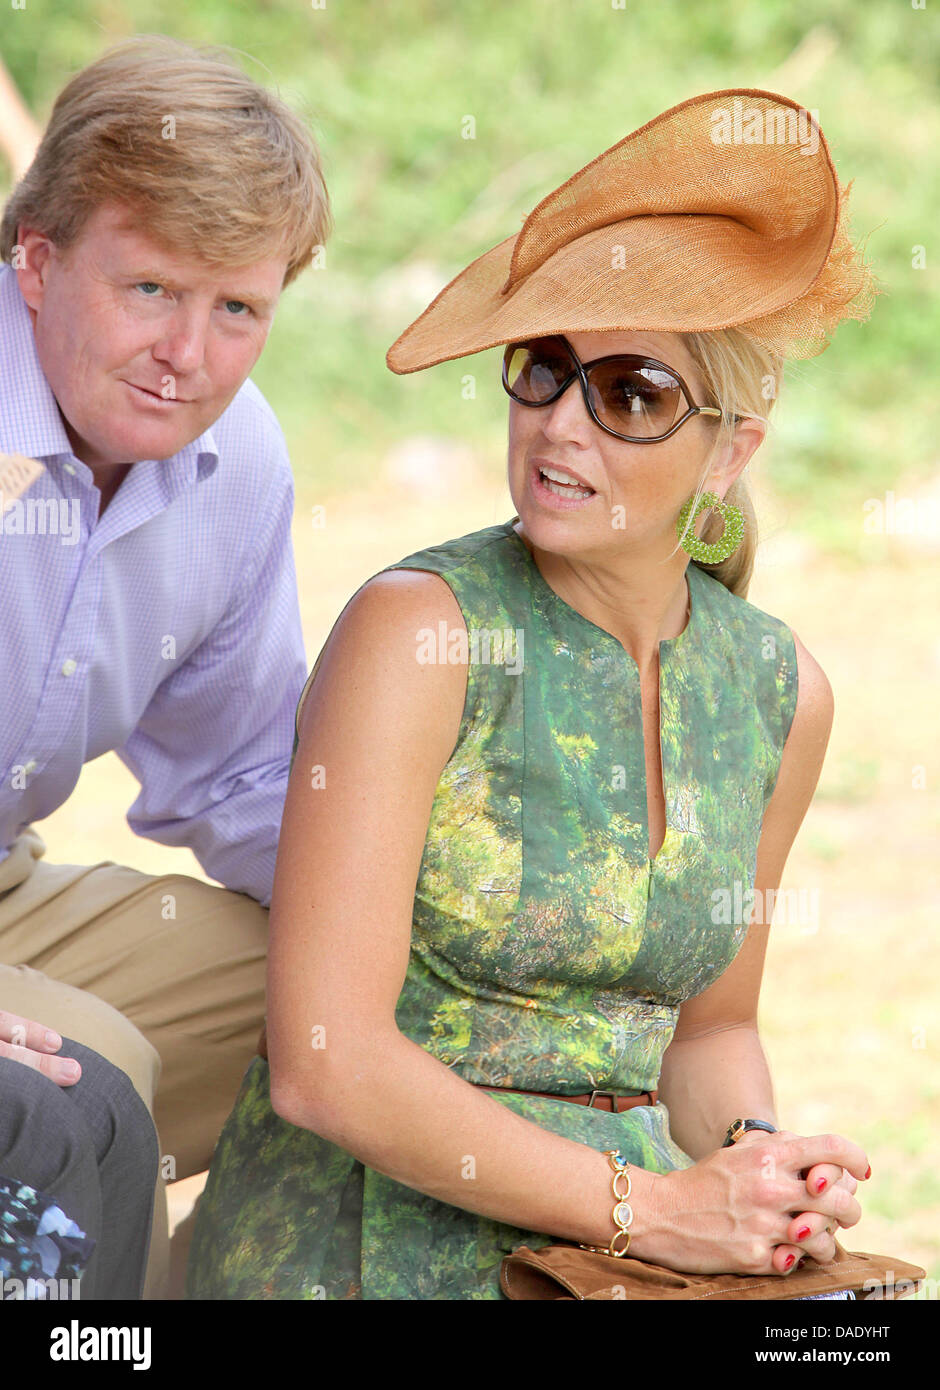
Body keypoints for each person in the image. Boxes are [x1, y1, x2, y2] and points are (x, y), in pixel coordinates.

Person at [186, 89, 876, 1300]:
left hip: (616, 1254)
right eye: (544, 370)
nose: (562, 424)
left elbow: (708, 1034)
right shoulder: (421, 632)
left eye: (631, 393)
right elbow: (323, 1058)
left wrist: (759, 1172)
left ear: (730, 449)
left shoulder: (779, 692)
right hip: (364, 1236)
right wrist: (653, 1205)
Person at [0, 34, 330, 1298]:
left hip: (14, 891)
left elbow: (244, 775)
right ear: (36, 260)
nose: (186, 355)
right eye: (148, 290)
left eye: (235, 308)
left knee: (341, 1013)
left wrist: (464, 941)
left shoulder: (234, 462)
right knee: (92, 1073)